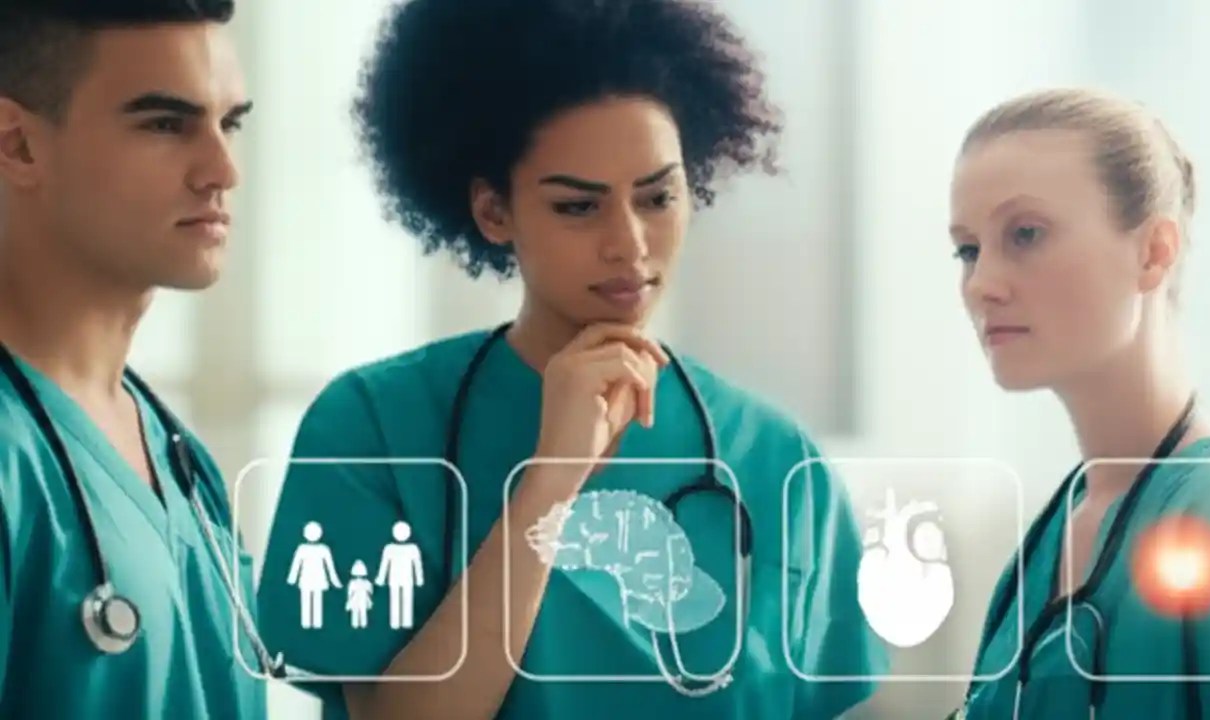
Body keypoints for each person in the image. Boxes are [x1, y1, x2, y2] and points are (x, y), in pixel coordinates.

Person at [255, 0, 886, 718]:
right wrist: (551, 480)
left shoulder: (777, 460)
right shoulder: (372, 428)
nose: (630, 244)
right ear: (495, 212)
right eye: (579, 207)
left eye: (658, 197)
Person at [946, 87, 1210, 719]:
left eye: (1026, 234)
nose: (981, 283)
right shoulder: (1048, 540)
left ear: (1154, 252)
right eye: (968, 249)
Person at [0, 1, 264, 718]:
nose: (222, 170)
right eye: (165, 124)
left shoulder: (183, 462)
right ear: (18, 146)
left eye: (231, 124)